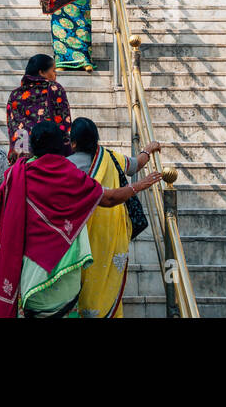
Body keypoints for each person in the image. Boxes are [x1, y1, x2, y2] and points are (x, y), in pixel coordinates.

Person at [0, 121, 162, 318]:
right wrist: (139, 185)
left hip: (31, 272)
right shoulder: (69, 173)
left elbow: (3, 207)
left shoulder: (19, 173)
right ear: (61, 144)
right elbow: (110, 198)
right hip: (66, 268)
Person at [68, 118, 161, 318]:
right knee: (105, 278)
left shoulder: (66, 166)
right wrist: (148, 149)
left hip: (81, 235)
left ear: (73, 142)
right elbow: (136, 165)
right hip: (111, 234)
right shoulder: (110, 157)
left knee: (83, 280)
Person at [5, 54, 73, 161]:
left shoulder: (15, 94)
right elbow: (64, 123)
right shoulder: (54, 88)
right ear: (41, 72)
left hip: (22, 158)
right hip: (50, 157)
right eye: (53, 70)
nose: (55, 74)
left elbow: (13, 127)